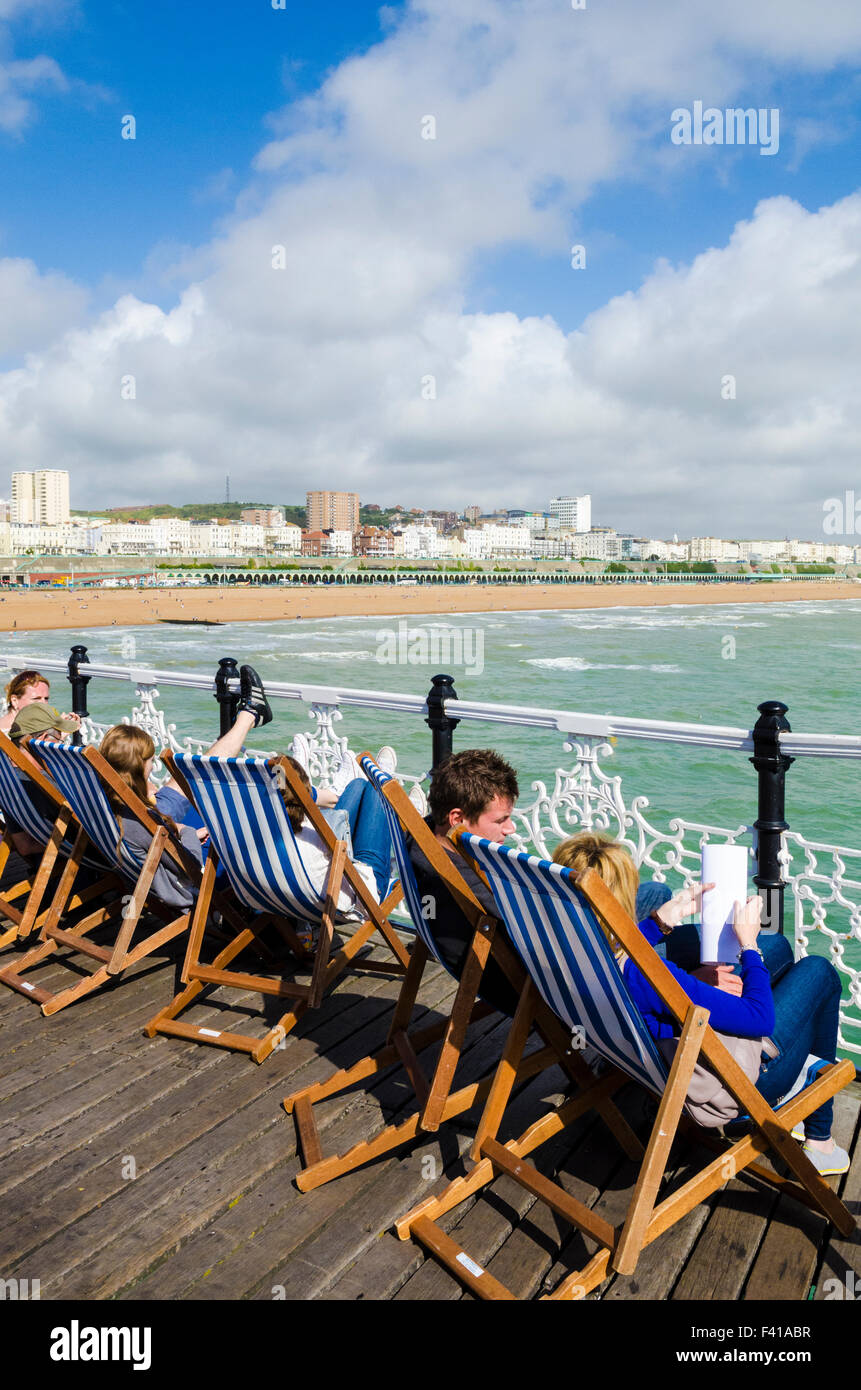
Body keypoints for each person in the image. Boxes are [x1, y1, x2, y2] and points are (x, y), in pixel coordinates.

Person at [552, 832, 850, 1176]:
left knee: (779, 947)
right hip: (730, 1084)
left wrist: (658, 924)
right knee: (820, 972)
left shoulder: (560, 951)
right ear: (621, 903)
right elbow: (759, 1018)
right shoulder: (643, 975)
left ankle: (796, 1048)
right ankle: (820, 1138)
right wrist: (749, 945)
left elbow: (620, 946)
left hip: (648, 1064)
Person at [0, 670, 81, 735]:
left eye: (46, 698)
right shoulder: (16, 734)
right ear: (14, 700)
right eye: (36, 699)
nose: (44, 704)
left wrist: (59, 726)